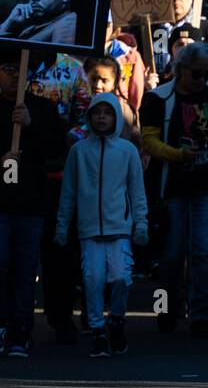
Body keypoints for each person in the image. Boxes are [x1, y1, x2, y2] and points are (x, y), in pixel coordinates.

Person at [0, 47, 66, 356]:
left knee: (25, 267)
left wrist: (32, 125)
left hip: (31, 202)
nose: (15, 74)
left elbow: (57, 149)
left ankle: (20, 331)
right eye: (8, 68)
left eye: (20, 69)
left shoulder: (44, 110)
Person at [55, 93, 147, 357]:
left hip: (119, 227)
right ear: (89, 117)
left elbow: (137, 191)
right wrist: (62, 226)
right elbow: (69, 192)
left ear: (116, 118)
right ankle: (97, 330)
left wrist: (141, 223)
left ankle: (116, 319)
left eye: (107, 113)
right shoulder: (78, 151)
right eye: (97, 113)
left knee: (121, 277)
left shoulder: (128, 151)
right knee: (92, 280)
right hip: (89, 229)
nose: (102, 117)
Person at [139, 41, 208, 336]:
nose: (202, 80)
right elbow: (148, 141)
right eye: (197, 74)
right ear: (181, 70)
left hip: (206, 186)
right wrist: (178, 155)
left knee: (204, 251)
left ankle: (199, 314)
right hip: (171, 187)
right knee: (170, 255)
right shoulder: (157, 99)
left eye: (207, 74)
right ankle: (164, 309)